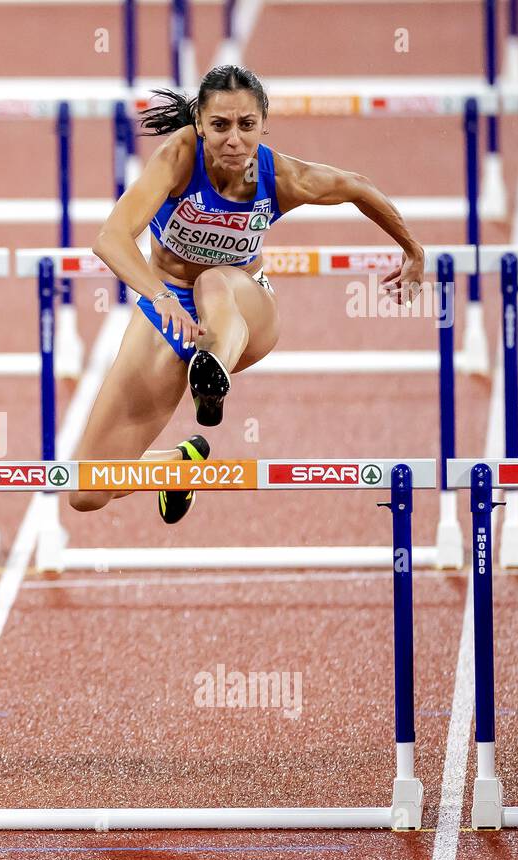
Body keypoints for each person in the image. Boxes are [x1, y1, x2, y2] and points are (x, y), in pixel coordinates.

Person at [70, 65, 423, 523]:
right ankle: (176, 468)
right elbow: (111, 238)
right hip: (170, 311)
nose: (233, 140)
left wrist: (412, 249)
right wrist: (160, 298)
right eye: (219, 126)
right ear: (199, 123)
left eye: (246, 125)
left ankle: (212, 367)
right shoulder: (179, 158)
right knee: (87, 489)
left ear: (263, 124)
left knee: (212, 279)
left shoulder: (281, 178)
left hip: (244, 306)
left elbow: (357, 185)